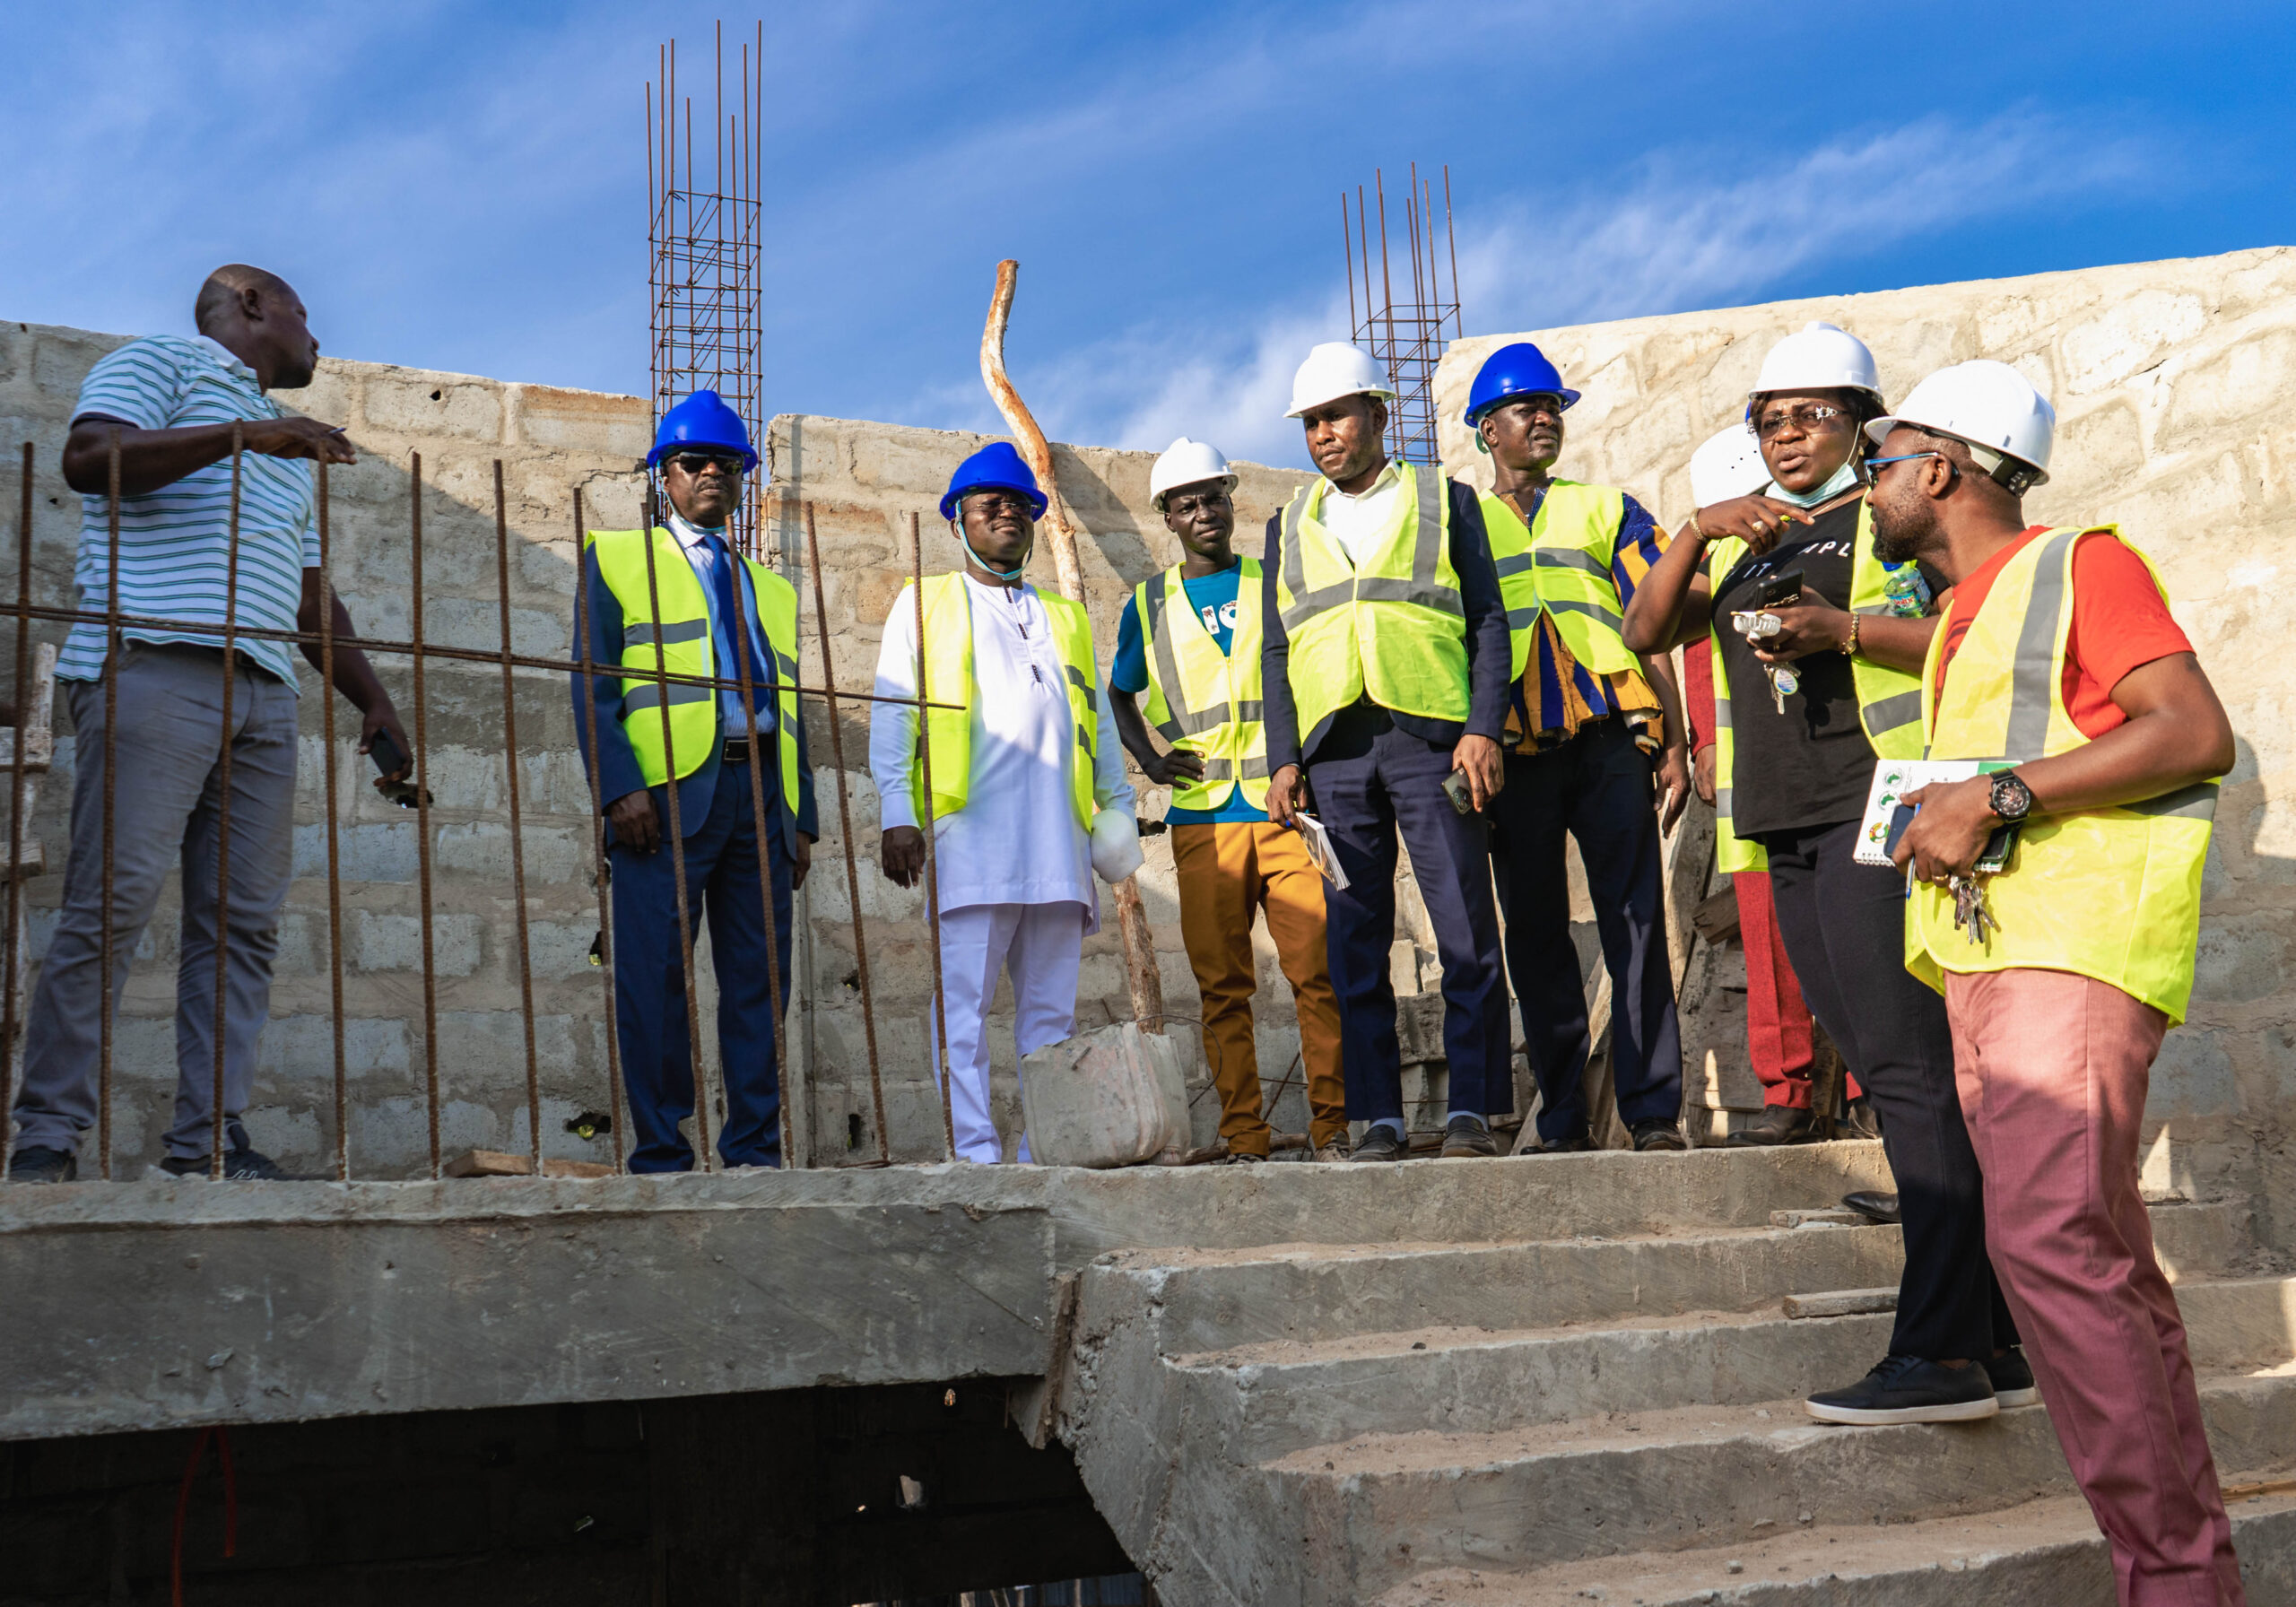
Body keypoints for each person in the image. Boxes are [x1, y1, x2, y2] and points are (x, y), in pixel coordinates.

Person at [1878, 361, 2243, 1606]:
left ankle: (2177, 1584)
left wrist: (1994, 795)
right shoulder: (1964, 615)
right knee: (2093, 1263)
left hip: (2070, 950)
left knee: (2051, 1247)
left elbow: (2193, 732)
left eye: (1887, 457)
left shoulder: (2078, 565)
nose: (1868, 480)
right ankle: (2190, 1575)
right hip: (1996, 956)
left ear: (1944, 467)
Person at [1622, 321, 2025, 1425]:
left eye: (1810, 415)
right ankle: (1990, 1333)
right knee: (1896, 1070)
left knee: (1909, 1073)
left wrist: (1840, 628)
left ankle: (1941, 1351)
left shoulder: (1886, 518)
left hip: (1875, 811)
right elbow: (1643, 625)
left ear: (1860, 422)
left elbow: (1963, 626)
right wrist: (1698, 529)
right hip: (1785, 828)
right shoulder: (1750, 542)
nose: (1785, 434)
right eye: (1767, 419)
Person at [7, 265, 408, 1185]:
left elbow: (311, 598)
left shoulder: (288, 449)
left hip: (265, 693)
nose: (316, 339)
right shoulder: (160, 364)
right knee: (110, 908)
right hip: (154, 665)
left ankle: (209, 1146)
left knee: (240, 927)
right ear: (254, 305)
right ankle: (46, 1141)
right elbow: (87, 460)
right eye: (306, 316)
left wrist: (372, 697)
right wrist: (243, 434)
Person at [1260, 343, 1511, 1164]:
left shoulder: (1446, 500)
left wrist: (1483, 727)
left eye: (1336, 416)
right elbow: (1275, 648)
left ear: (1377, 413)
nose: (1324, 435)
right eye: (1311, 424)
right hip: (1334, 753)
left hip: (1432, 739)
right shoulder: (1288, 523)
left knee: (1465, 927)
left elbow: (1486, 621)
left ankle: (1472, 1109)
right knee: (1352, 936)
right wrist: (1283, 758)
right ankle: (1379, 1118)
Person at [870, 442, 1135, 1164]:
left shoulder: (1064, 617)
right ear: (959, 523)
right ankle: (977, 1154)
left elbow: (1097, 724)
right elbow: (896, 711)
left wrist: (1116, 809)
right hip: (973, 839)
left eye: (1019, 505)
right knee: (962, 1009)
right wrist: (899, 810)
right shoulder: (925, 603)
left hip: (1058, 842)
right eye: (990, 506)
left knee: (1050, 1015)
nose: (1008, 515)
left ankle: (1039, 1156)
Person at [571, 390, 815, 1173]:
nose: (712, 472)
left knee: (760, 984)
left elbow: (792, 703)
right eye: (693, 461)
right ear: (662, 477)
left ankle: (753, 1151)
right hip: (666, 796)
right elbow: (592, 684)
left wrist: (798, 814)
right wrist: (618, 789)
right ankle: (662, 1151)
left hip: (758, 798)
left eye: (728, 463)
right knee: (655, 977)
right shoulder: (616, 557)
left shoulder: (770, 589)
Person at [1462, 343, 1690, 1155]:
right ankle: (1561, 1118)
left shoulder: (1609, 508)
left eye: (1553, 407)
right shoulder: (1461, 520)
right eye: (1528, 409)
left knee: (1635, 924)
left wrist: (1675, 739)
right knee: (1534, 937)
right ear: (1489, 429)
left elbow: (1655, 626)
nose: (1546, 419)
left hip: (1608, 738)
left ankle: (1654, 1114)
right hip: (1513, 756)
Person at [1109, 439, 1347, 1164]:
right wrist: (1149, 758)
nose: (1205, 511)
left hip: (1283, 814)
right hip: (1204, 822)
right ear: (1168, 521)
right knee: (1223, 990)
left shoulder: (1274, 581)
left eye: (1214, 496)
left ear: (1230, 502)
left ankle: (1334, 1127)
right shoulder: (1147, 604)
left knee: (1317, 976)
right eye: (1188, 504)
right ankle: (1246, 1133)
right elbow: (1117, 690)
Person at [1678, 425, 1869, 1147]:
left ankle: (1866, 1091)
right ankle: (1788, 1095)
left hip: (1834, 771)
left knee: (1857, 946)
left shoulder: (1842, 534)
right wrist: (1701, 743)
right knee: (1771, 942)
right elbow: (1695, 656)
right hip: (1752, 781)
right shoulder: (1723, 561)